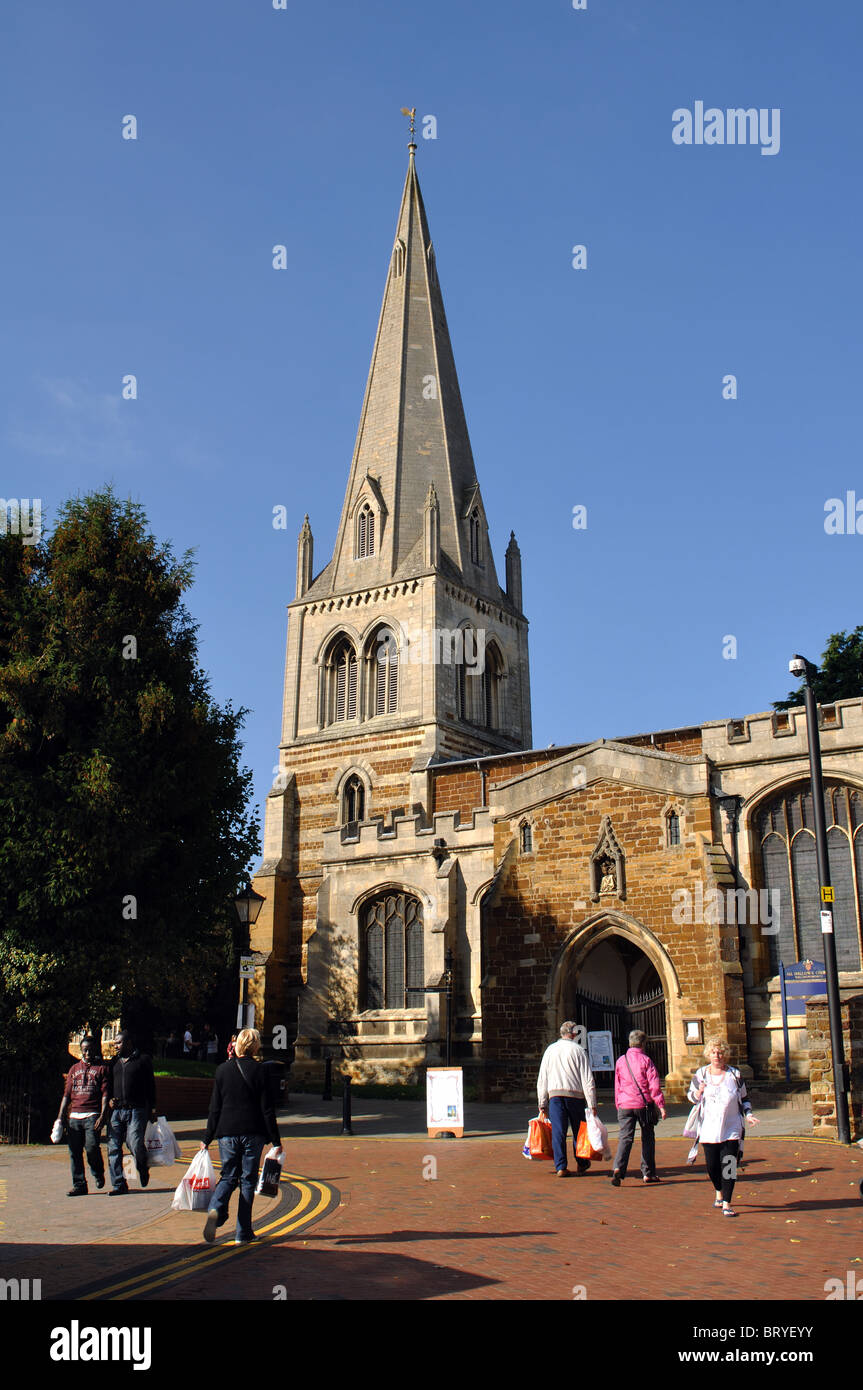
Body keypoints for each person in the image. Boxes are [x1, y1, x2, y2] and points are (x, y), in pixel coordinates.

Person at [201, 1027, 283, 1244]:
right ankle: (243, 1233)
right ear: (255, 1046)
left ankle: (215, 1209)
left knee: (228, 1175)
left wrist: (206, 1138)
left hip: (226, 1132)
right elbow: (267, 1109)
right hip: (252, 1132)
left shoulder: (221, 1071)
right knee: (248, 1180)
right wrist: (276, 1141)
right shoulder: (260, 1071)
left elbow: (214, 1108)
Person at [687, 1037, 759, 1217]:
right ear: (708, 1055)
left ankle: (727, 1202)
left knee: (729, 1164)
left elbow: (744, 1098)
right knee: (712, 1166)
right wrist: (698, 1092)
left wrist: (749, 1115)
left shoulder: (735, 1075)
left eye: (720, 1052)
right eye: (713, 1052)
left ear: (725, 1054)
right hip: (709, 1129)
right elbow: (691, 1097)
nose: (717, 1056)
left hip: (731, 1127)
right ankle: (718, 1190)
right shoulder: (701, 1074)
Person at [537, 1021, 598, 1177]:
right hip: (575, 1095)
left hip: (555, 1095)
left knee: (559, 1131)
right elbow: (587, 1079)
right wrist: (592, 1103)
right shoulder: (579, 1051)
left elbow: (542, 1078)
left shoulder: (550, 1050)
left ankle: (561, 1166)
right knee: (579, 1131)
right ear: (574, 1034)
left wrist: (542, 1102)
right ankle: (582, 1162)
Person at [56, 1036, 110, 1196]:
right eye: (85, 1049)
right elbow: (66, 1095)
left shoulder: (102, 1068)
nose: (88, 1053)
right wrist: (60, 1118)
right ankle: (79, 1185)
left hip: (92, 1114)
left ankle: (98, 1172)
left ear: (96, 1049)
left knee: (92, 1147)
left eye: (91, 1049)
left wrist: (103, 1116)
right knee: (74, 1151)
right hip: (75, 1116)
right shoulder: (74, 1069)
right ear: (81, 1050)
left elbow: (105, 1095)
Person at [611, 1029, 667, 1186]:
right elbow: (654, 1086)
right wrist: (661, 1105)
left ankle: (618, 1168)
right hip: (643, 1105)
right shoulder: (646, 1061)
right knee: (647, 1138)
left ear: (630, 1043)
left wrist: (618, 1103)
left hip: (625, 1104)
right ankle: (648, 1173)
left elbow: (617, 1085)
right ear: (643, 1043)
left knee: (625, 1137)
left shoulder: (621, 1061)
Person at [107, 1030, 157, 1195]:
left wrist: (153, 1108)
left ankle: (142, 1167)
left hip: (137, 1109)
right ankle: (118, 1184)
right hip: (117, 1111)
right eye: (114, 1043)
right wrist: (109, 1100)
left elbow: (151, 1086)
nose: (115, 1046)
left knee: (134, 1143)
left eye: (118, 1043)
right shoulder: (114, 1062)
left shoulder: (142, 1060)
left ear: (128, 1043)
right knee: (113, 1147)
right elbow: (108, 1086)